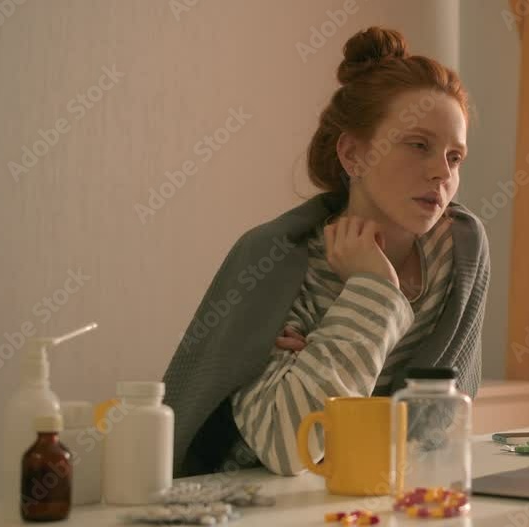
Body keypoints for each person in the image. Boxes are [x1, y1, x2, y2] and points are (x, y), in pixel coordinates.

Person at [162, 26, 490, 477]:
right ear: (353, 154)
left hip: (386, 493)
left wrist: (316, 356)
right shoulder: (280, 263)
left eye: (455, 157)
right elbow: (289, 445)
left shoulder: (461, 251)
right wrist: (374, 292)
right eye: (418, 145)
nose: (441, 173)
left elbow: (437, 426)